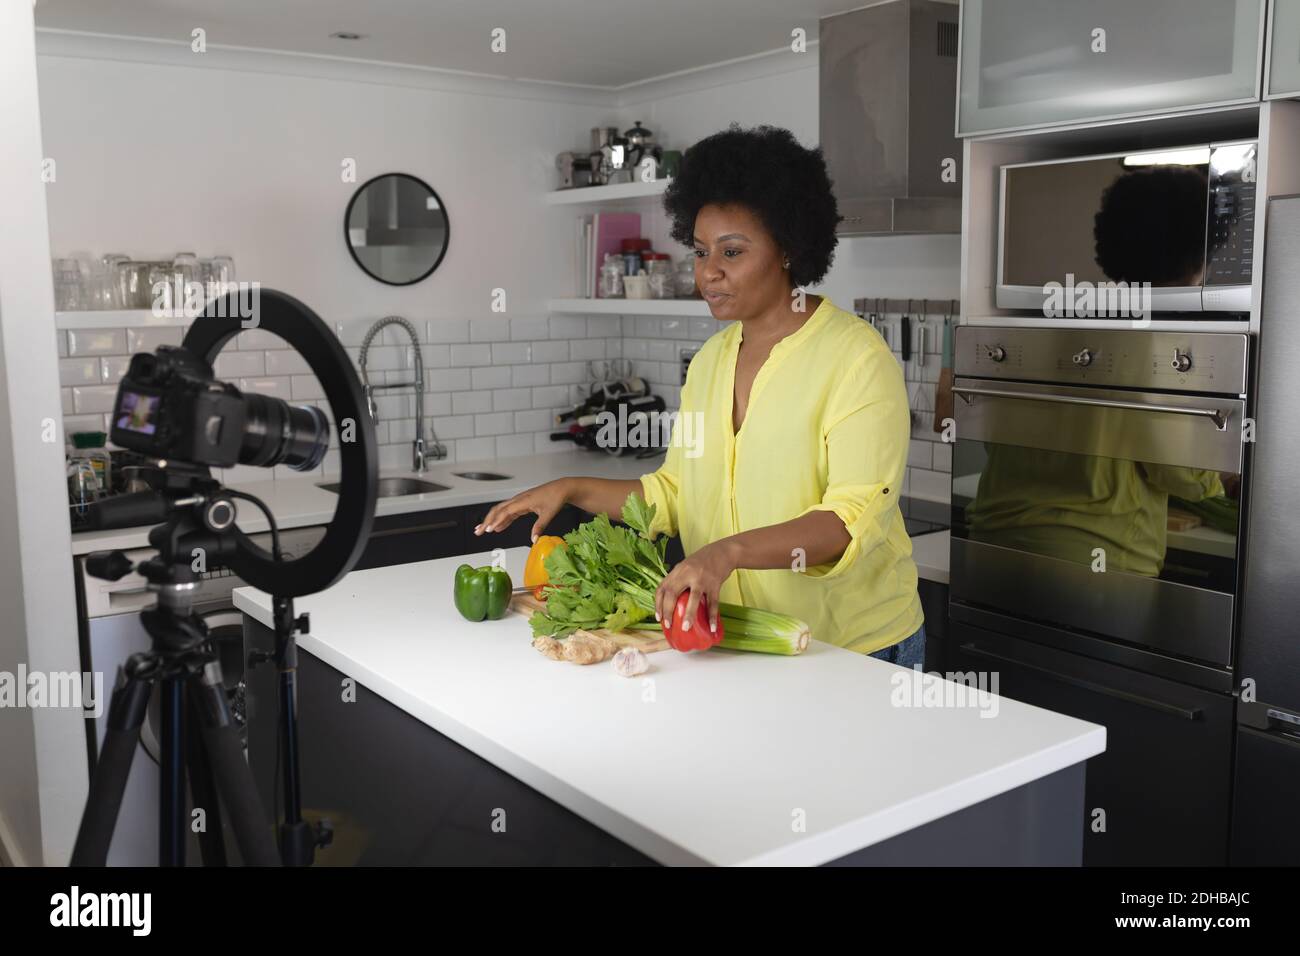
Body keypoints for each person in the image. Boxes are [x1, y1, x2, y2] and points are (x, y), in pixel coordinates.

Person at [476, 124, 925, 664]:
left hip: (854, 649)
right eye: (701, 251)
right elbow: (674, 493)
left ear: (788, 248)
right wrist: (571, 487)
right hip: (739, 641)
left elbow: (847, 520)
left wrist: (726, 554)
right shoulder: (711, 361)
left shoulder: (856, 358)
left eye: (732, 252)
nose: (708, 272)